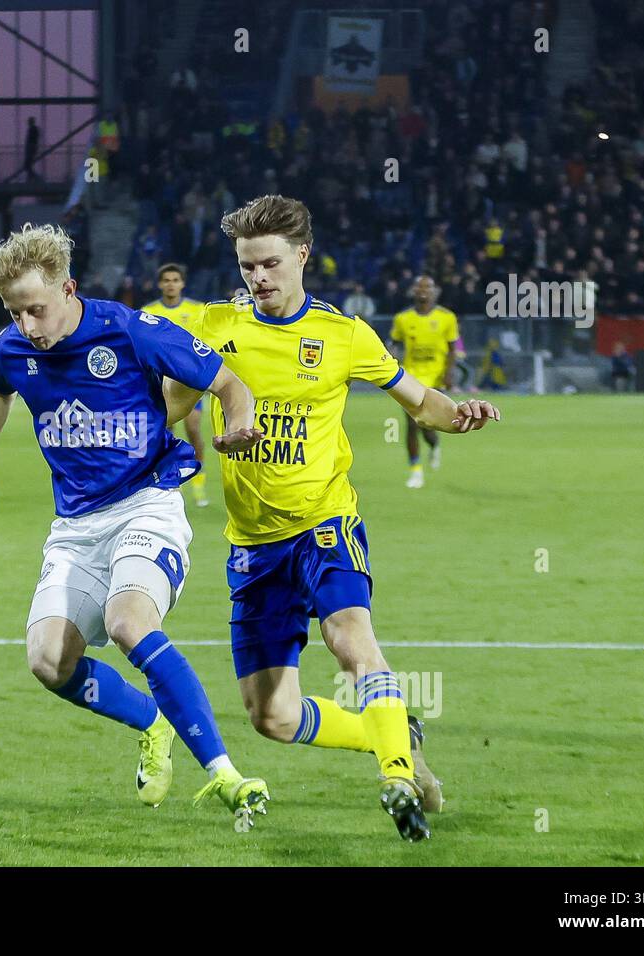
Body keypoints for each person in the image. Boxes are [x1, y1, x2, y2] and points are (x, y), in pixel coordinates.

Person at [170, 195, 500, 842]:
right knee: (273, 716)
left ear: (301, 256)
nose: (258, 279)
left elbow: (416, 399)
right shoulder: (213, 329)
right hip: (253, 546)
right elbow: (166, 407)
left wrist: (455, 414)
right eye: (246, 267)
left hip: (325, 522)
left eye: (269, 264)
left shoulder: (345, 336)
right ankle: (392, 733)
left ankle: (398, 775)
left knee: (350, 637)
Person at [0, 223, 272, 828]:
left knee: (129, 622)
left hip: (147, 505)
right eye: (16, 313)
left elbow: (226, 381)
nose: (27, 326)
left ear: (69, 289)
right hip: (76, 527)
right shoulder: (13, 349)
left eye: (37, 310)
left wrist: (239, 418)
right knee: (48, 661)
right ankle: (151, 724)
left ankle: (224, 773)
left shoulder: (128, 329)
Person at [141, 263, 210, 507]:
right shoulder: (149, 311)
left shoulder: (198, 310)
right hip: (159, 384)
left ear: (182, 283)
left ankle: (199, 483)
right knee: (164, 434)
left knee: (193, 430)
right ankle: (167, 483)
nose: (171, 284)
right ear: (160, 284)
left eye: (175, 279)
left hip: (187, 382)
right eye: (166, 280)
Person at [389, 276, 460, 488]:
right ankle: (415, 470)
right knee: (411, 423)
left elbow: (452, 350)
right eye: (419, 286)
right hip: (410, 377)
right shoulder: (402, 319)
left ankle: (434, 445)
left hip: (435, 378)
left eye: (427, 287)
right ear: (413, 290)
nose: (423, 290)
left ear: (435, 292)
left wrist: (449, 374)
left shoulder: (447, 318)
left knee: (428, 425)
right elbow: (394, 344)